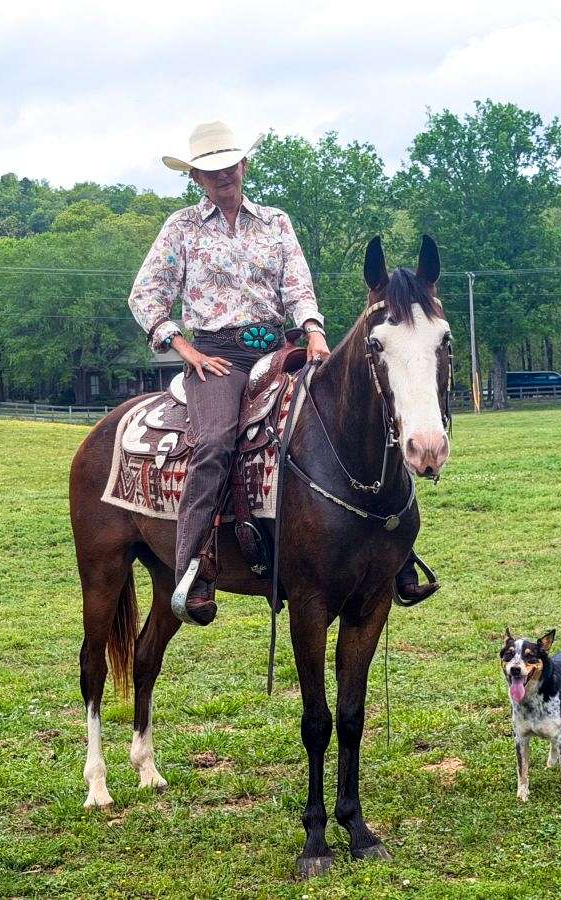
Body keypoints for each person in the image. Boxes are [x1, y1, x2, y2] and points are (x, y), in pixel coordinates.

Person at [128, 121, 438, 626]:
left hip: (279, 348)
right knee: (215, 442)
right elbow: (146, 296)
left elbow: (298, 286)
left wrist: (313, 330)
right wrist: (183, 347)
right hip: (217, 357)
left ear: (244, 166)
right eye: (211, 170)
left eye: (230, 165)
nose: (224, 175)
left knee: (354, 417)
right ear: (196, 178)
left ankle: (394, 551)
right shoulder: (181, 228)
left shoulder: (275, 222)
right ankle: (194, 568)